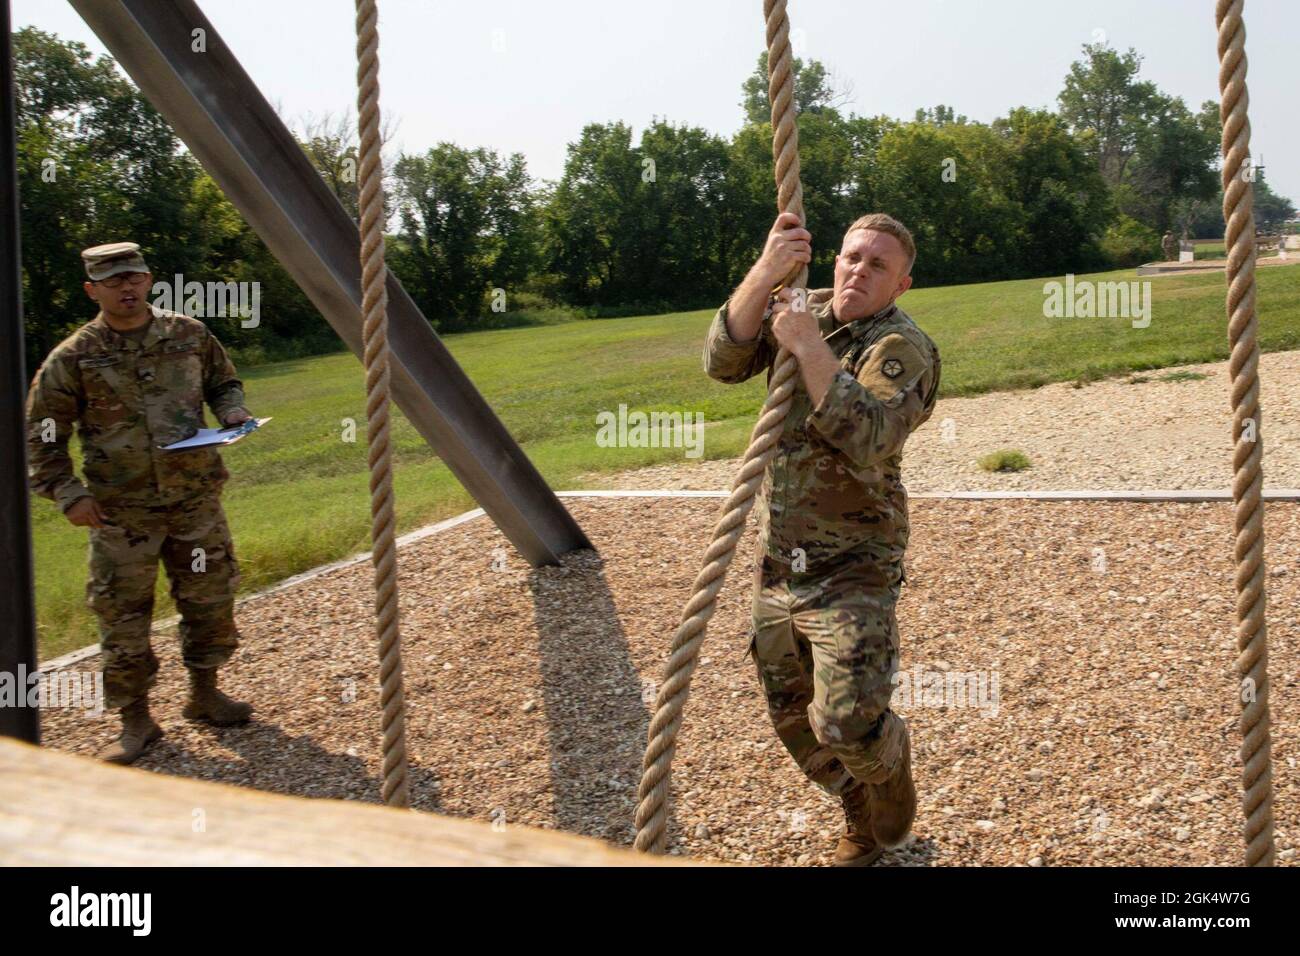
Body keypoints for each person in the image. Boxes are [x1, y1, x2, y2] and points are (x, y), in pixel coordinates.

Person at [703, 212, 941, 866]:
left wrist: (807, 345)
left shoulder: (902, 347)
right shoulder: (801, 307)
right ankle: (861, 815)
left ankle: (888, 773)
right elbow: (722, 361)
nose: (857, 272)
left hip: (857, 563)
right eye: (851, 257)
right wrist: (767, 267)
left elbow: (867, 435)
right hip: (784, 562)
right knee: (789, 712)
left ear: (902, 284)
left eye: (877, 266)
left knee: (845, 722)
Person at [26, 242, 254, 764]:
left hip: (195, 502)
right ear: (92, 290)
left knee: (210, 599)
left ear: (149, 279)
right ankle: (136, 721)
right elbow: (42, 435)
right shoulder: (74, 357)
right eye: (112, 282)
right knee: (122, 617)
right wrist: (68, 494)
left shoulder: (189, 336)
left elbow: (224, 382)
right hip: (120, 514)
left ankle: (204, 694)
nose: (126, 288)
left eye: (133, 278)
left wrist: (233, 409)